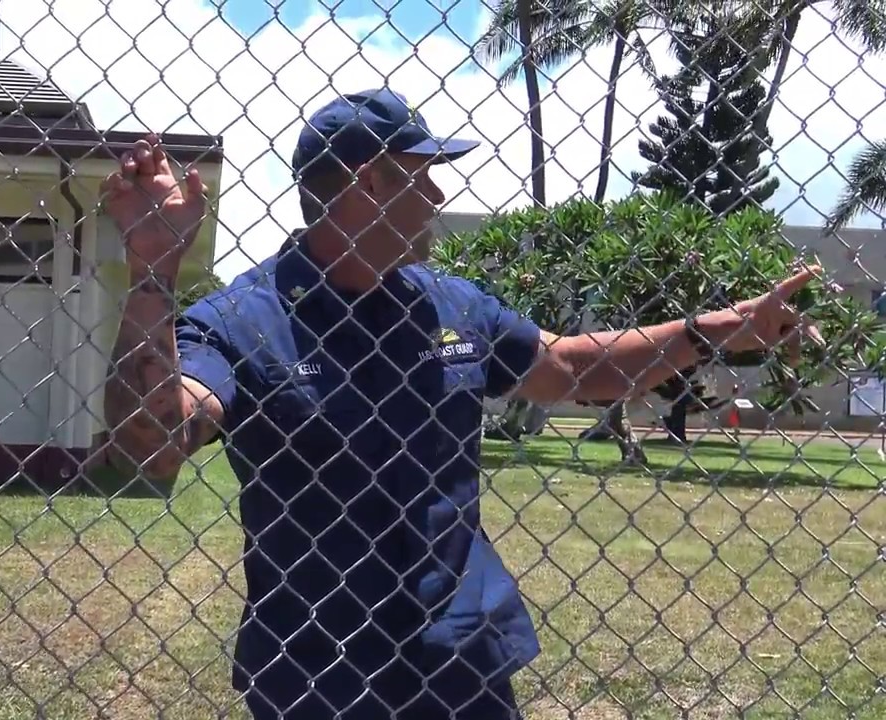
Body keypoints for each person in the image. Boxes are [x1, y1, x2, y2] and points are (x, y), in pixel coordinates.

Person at [98, 88, 823, 720]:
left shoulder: (449, 305)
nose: (439, 199)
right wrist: (153, 270)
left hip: (462, 658)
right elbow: (154, 440)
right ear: (369, 184)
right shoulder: (241, 323)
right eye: (423, 177)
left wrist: (723, 328)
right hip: (321, 674)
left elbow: (570, 367)